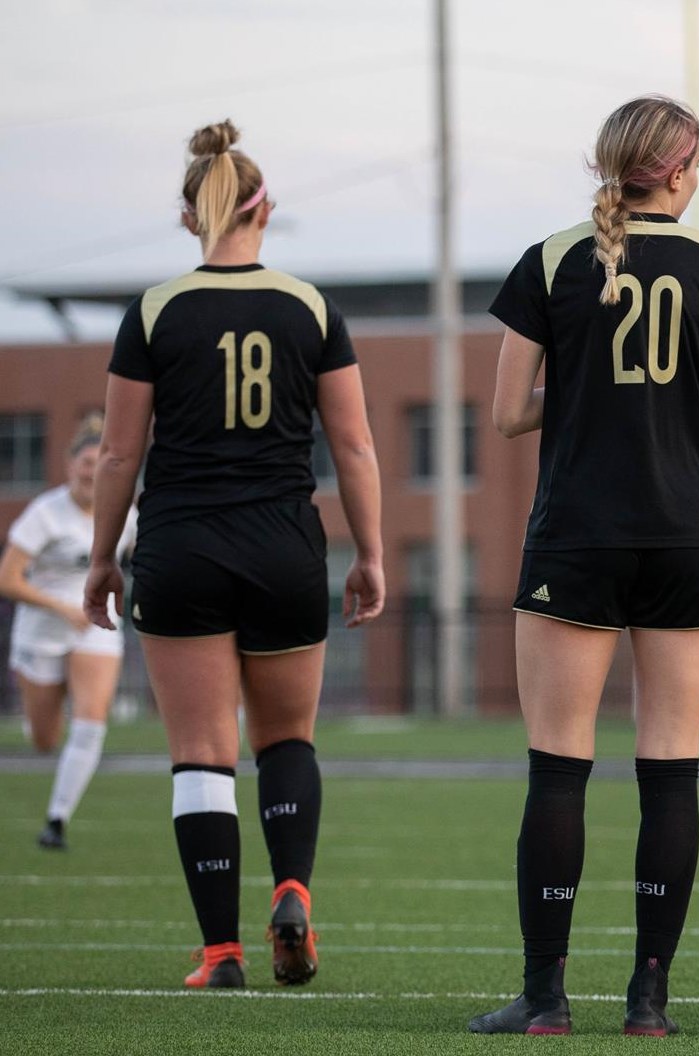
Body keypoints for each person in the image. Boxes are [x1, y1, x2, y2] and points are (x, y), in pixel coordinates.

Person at [469, 93, 699, 1037]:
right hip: (686, 538)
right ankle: (648, 1004)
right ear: (683, 169)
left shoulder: (551, 259)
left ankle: (546, 1000)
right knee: (670, 770)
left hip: (579, 537)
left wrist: (586, 375)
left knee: (559, 769)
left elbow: (508, 412)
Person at [83, 120, 385, 991]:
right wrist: (368, 553)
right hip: (285, 546)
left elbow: (115, 454)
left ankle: (221, 954)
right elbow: (357, 448)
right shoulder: (311, 307)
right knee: (287, 738)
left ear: (190, 220)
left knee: (203, 754)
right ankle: (291, 886)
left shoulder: (153, 311)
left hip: (180, 547)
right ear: (267, 209)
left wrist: (103, 558)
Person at [2, 414, 135, 850]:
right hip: (42, 630)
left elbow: (142, 559)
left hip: (94, 627)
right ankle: (42, 715)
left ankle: (56, 820)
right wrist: (61, 607)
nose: (91, 471)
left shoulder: (125, 516)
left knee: (90, 722)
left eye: (101, 462)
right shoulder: (45, 512)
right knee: (46, 738)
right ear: (69, 464)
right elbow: (8, 579)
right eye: (85, 461)